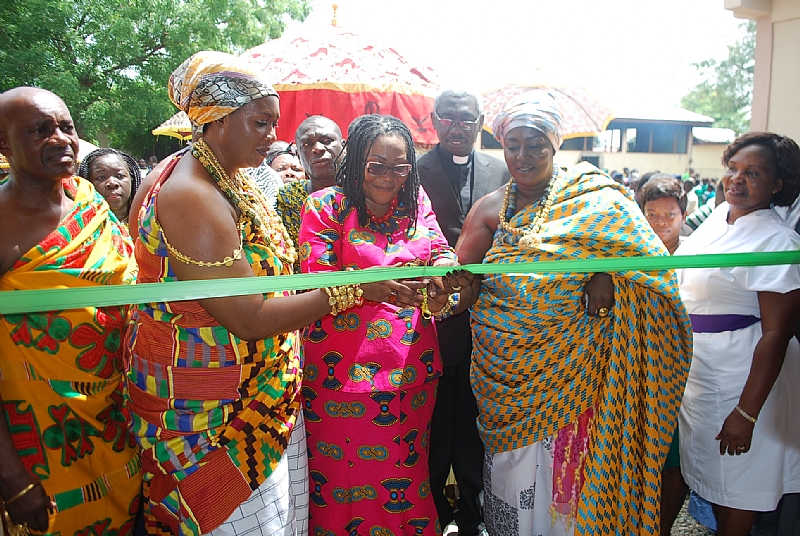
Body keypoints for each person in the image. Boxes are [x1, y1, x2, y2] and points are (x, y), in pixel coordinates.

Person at [125, 50, 361, 536]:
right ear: (215, 119)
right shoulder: (191, 192)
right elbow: (248, 318)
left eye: (273, 124)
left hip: (253, 394)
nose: (273, 137)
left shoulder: (219, 175)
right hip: (213, 415)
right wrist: (354, 290)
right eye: (259, 123)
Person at [454, 91, 692, 535]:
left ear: (555, 145)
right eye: (513, 145)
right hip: (505, 378)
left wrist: (605, 270)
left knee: (571, 489)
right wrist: (444, 287)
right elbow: (460, 279)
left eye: (536, 144)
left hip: (578, 376)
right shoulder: (490, 208)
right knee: (513, 485)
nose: (523, 156)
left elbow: (650, 267)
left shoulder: (597, 199)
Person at [298, 114, 471, 535]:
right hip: (342, 376)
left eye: (399, 167)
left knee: (406, 476)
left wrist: (444, 273)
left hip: (411, 373)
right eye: (377, 165)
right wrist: (370, 288)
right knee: (344, 484)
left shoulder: (415, 204)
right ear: (356, 160)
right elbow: (314, 277)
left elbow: (440, 248)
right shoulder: (326, 207)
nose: (388, 177)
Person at [0, 87, 140, 534]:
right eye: (40, 131)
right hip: (44, 445)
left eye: (67, 127)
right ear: (3, 144)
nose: (60, 139)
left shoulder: (88, 201)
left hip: (123, 423)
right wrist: (11, 478)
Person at [676, 132, 800, 536]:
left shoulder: (776, 239)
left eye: (753, 173)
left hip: (743, 382)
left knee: (738, 496)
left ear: (778, 184)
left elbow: (776, 333)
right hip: (702, 375)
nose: (736, 179)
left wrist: (746, 414)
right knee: (711, 481)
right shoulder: (717, 218)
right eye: (733, 168)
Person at [417, 88, 510, 536]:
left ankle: (474, 515)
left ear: (480, 121)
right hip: (432, 318)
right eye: (448, 118)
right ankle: (434, 510)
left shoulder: (504, 169)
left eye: (466, 118)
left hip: (490, 321)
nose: (457, 125)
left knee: (476, 425)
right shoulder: (413, 170)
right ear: (434, 120)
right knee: (434, 422)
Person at [637, 174, 689, 535]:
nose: (661, 223)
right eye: (652, 214)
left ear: (683, 215)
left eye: (669, 214)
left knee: (676, 461)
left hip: (688, 375)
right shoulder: (630, 255)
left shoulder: (697, 254)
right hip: (642, 370)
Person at [275, 115, 344, 271]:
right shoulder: (285, 198)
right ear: (299, 156)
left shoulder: (364, 196)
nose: (318, 148)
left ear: (344, 147)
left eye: (327, 141)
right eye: (307, 144)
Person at [77, 148, 142, 225]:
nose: (112, 183)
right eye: (101, 177)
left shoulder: (148, 223)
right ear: (88, 182)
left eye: (119, 175)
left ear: (132, 179)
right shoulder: (79, 225)